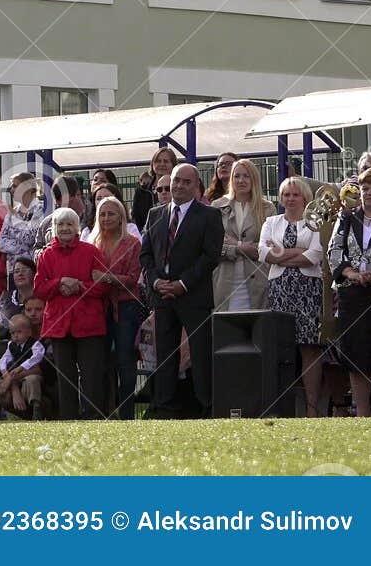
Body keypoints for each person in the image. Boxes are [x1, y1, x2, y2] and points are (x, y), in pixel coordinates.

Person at [139, 162, 224, 418]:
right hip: (162, 297)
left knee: (200, 355)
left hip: (194, 296)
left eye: (186, 182)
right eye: (176, 181)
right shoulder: (155, 214)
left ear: (197, 186)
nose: (179, 186)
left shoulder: (209, 216)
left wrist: (182, 284)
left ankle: (206, 408)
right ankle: (163, 408)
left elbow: (210, 257)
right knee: (165, 355)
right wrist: (156, 282)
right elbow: (145, 255)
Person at [259, 177, 325, 416]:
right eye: (286, 194)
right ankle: (282, 407)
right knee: (281, 348)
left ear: (305, 198)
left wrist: (282, 255)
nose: (290, 199)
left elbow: (315, 256)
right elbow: (264, 252)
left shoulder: (316, 223)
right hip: (279, 290)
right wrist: (298, 252)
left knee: (310, 348)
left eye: (295, 194)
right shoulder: (271, 222)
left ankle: (311, 409)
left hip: (309, 290)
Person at [34, 207, 107, 419]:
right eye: (60, 225)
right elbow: (40, 289)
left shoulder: (91, 251)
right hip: (59, 325)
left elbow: (103, 286)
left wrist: (80, 287)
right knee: (64, 377)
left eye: (69, 224)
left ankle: (94, 418)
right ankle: (68, 419)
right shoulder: (46, 255)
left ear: (77, 228)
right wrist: (60, 283)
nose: (65, 228)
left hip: (89, 323)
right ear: (54, 229)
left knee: (91, 376)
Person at [326, 167, 371, 416]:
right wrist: (350, 274)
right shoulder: (347, 217)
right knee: (356, 355)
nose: (369, 193)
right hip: (352, 295)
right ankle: (362, 412)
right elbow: (334, 251)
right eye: (365, 188)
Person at [85, 196, 143, 419]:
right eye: (103, 214)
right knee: (100, 362)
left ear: (121, 217)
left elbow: (133, 278)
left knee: (125, 361)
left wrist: (107, 278)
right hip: (98, 307)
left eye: (111, 213)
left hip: (126, 308)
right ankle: (104, 412)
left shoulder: (132, 243)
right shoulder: (92, 242)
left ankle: (127, 414)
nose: (107, 218)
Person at [211, 158, 271, 311]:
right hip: (224, 283)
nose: (241, 180)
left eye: (246, 176)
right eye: (237, 176)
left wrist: (236, 244)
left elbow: (269, 248)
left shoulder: (267, 208)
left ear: (254, 179)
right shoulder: (217, 206)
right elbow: (213, 246)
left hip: (257, 282)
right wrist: (240, 249)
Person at [0, 314, 46, 420]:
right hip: (14, 376)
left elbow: (37, 357)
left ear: (29, 332)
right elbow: (3, 359)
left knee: (32, 380)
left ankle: (36, 410)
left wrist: (21, 367)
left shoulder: (35, 344)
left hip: (29, 373)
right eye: (13, 333)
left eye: (19, 332)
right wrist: (5, 373)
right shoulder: (11, 345)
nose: (15, 336)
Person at [0, 174, 45, 265]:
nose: (11, 190)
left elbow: (29, 238)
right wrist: (25, 249)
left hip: (32, 268)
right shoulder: (12, 212)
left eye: (15, 186)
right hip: (13, 269)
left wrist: (14, 236)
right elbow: (1, 243)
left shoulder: (40, 209)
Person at [132, 147, 178, 228]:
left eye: (166, 161)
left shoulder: (179, 187)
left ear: (173, 165)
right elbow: (136, 217)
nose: (162, 164)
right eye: (158, 161)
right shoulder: (142, 191)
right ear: (152, 165)